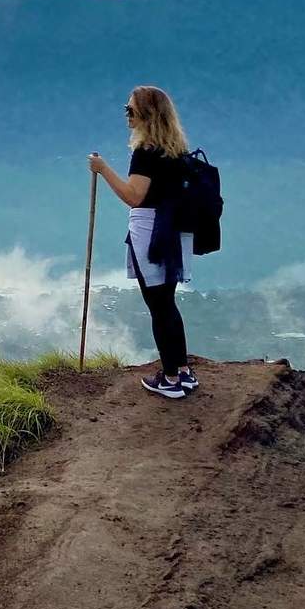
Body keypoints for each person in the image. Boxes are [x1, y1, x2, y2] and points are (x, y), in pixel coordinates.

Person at [88, 86, 196, 400]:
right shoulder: (176, 151)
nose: (127, 115)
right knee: (168, 303)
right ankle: (183, 371)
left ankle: (171, 378)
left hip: (151, 232)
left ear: (146, 115)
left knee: (158, 307)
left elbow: (134, 196)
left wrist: (103, 169)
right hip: (175, 231)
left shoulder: (145, 152)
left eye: (131, 110)